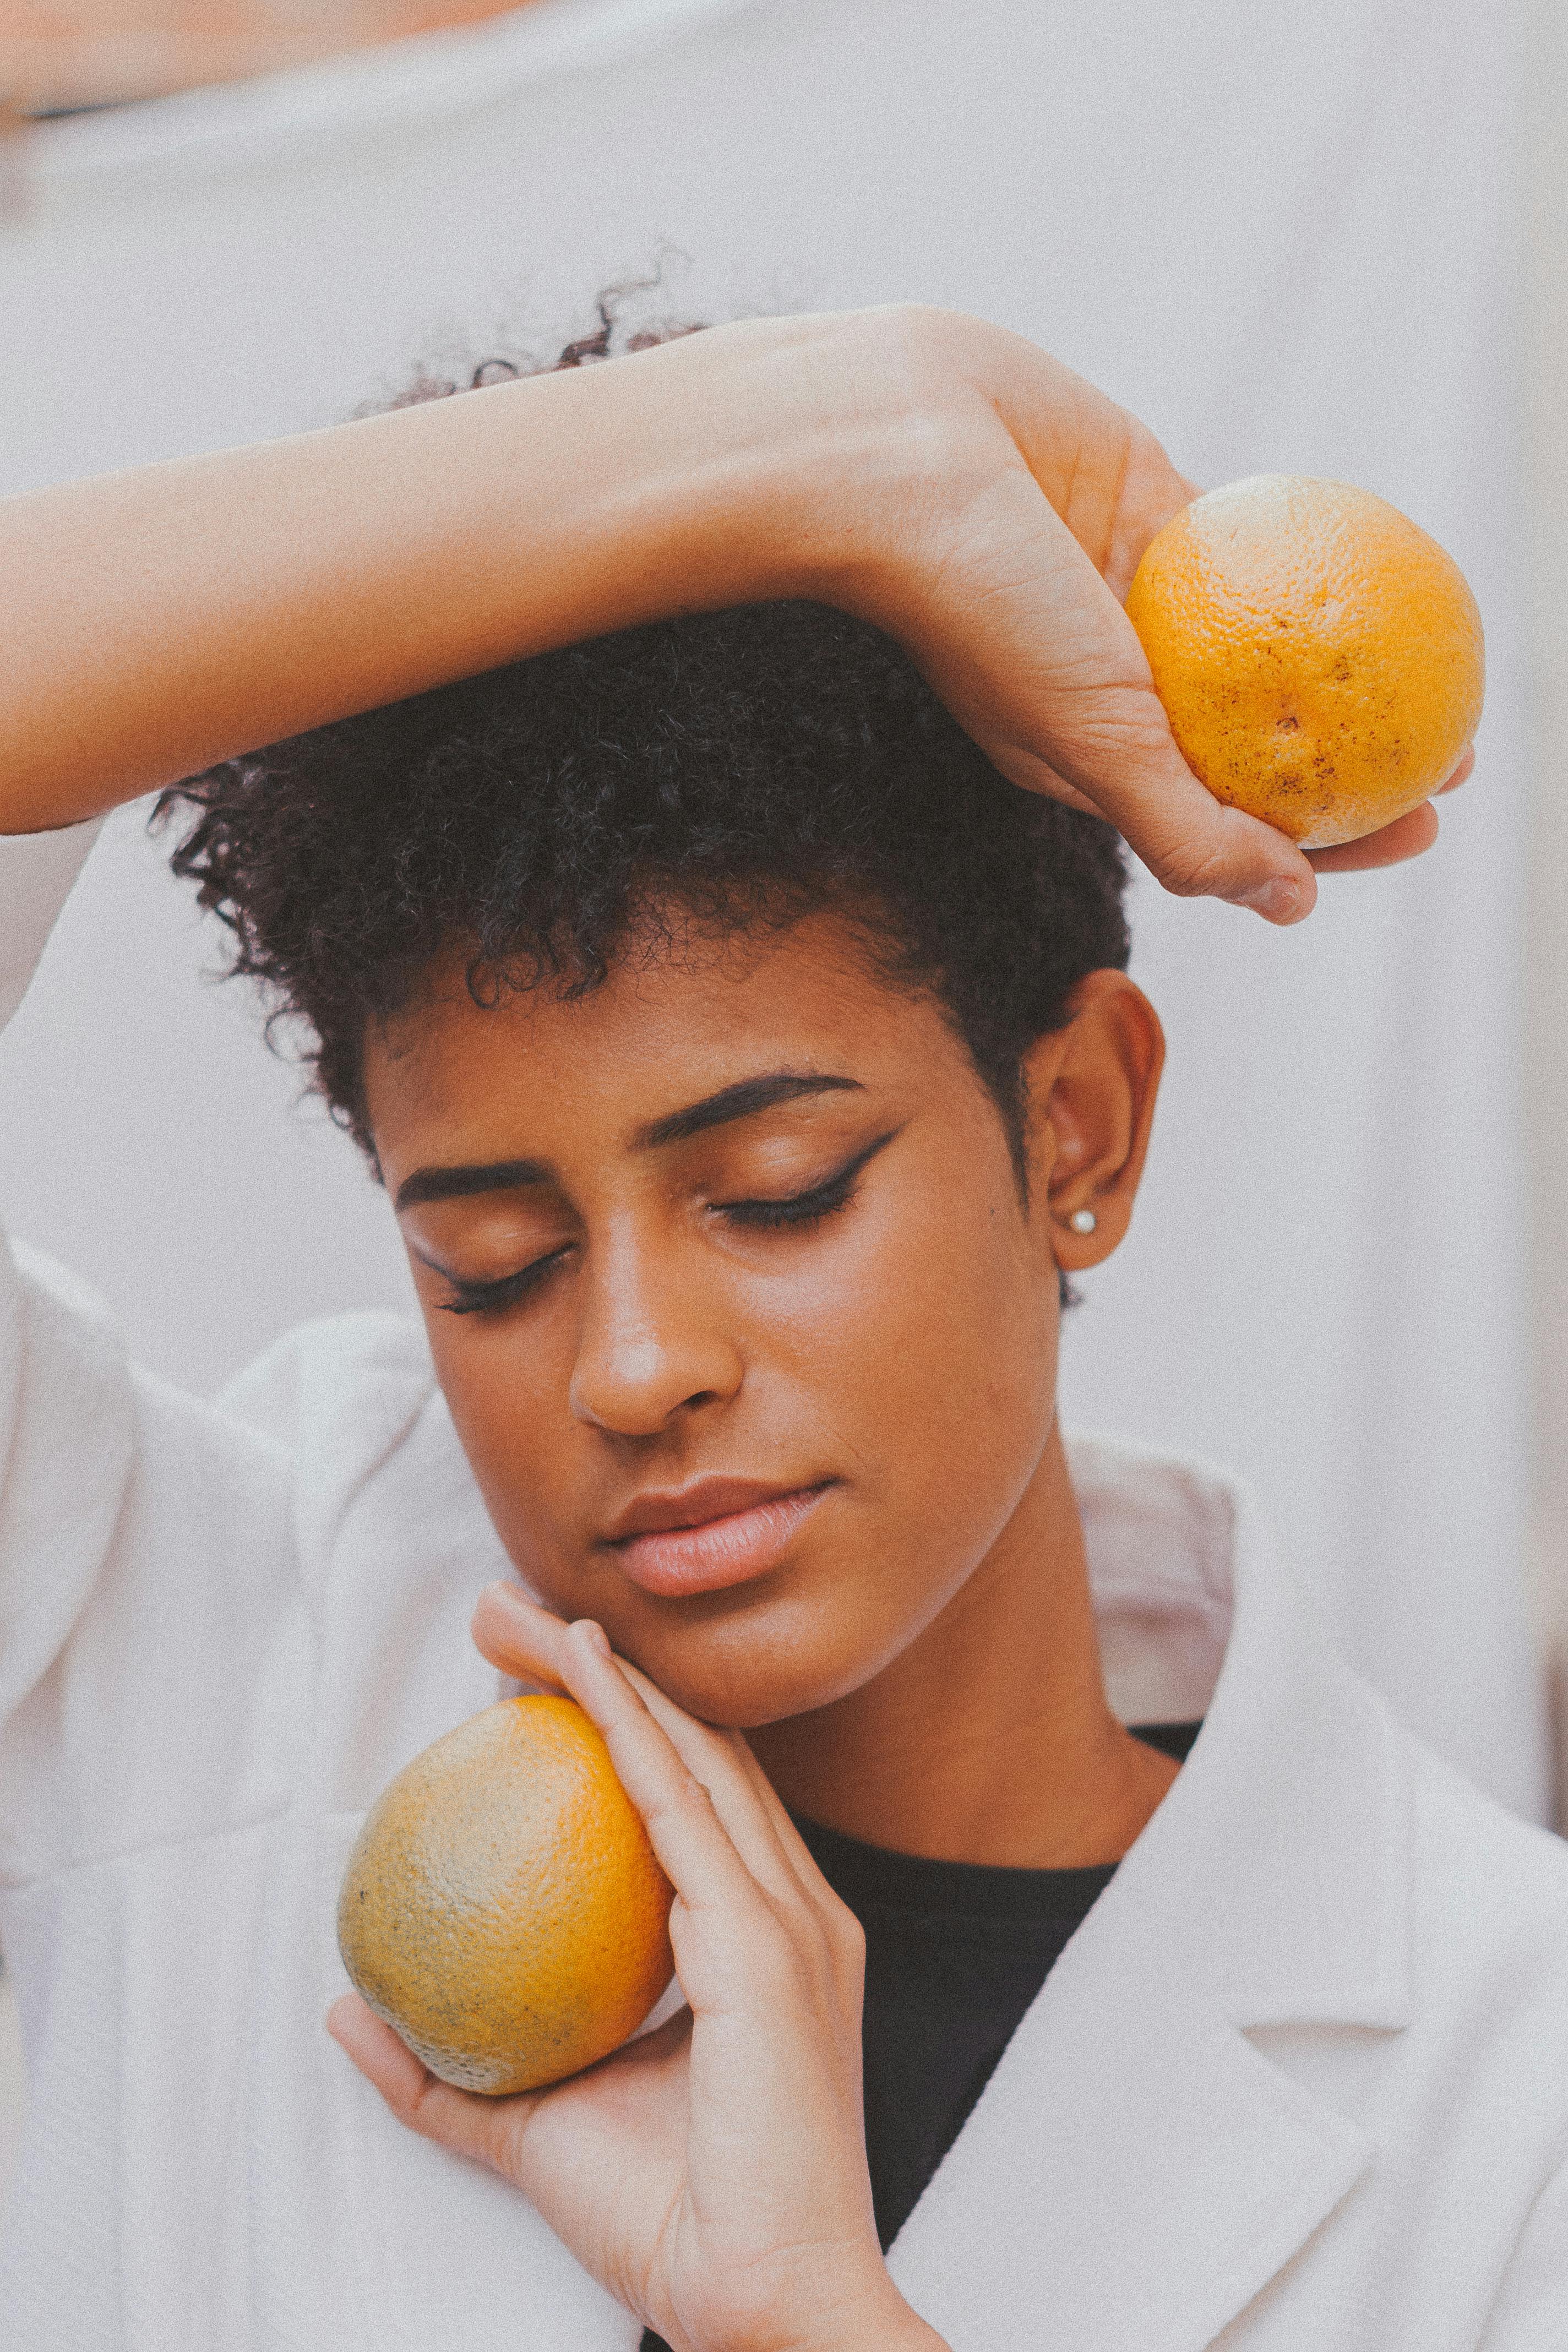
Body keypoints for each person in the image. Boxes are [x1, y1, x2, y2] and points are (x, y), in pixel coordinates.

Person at [0, 304, 1553, 2352]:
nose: (635, 1368)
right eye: (492, 1260)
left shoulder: (1512, 2095)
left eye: (775, 1194)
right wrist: (808, 445)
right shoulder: (164, 1653)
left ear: (1075, 1123)